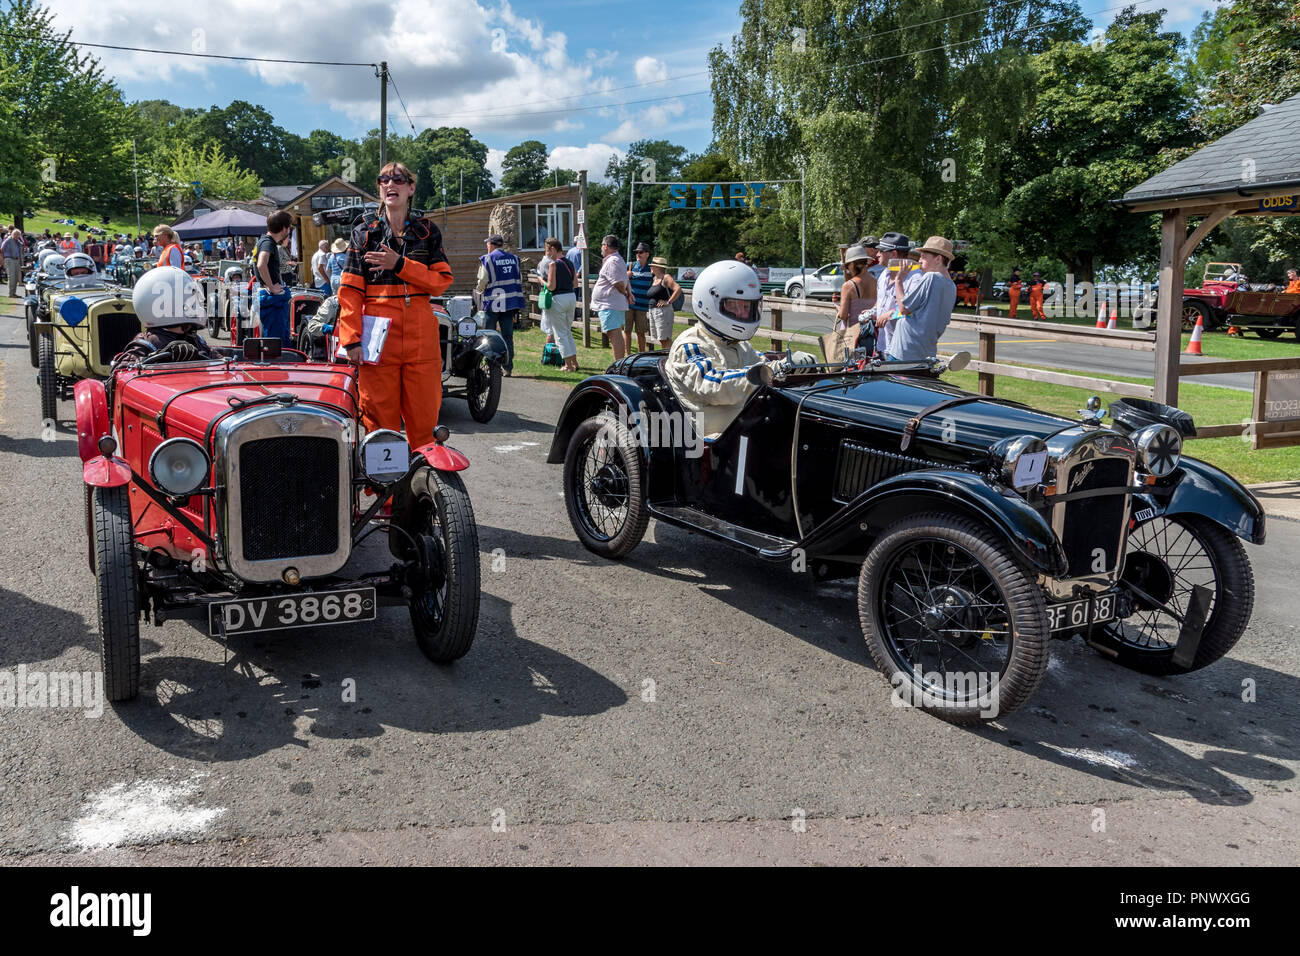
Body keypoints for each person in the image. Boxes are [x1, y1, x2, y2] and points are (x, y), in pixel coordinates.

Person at [337, 160, 454, 449]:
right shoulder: (364, 232)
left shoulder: (427, 231)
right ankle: (385, 494)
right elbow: (350, 290)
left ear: (411, 188)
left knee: (425, 425)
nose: (391, 184)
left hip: (421, 341)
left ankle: (422, 490)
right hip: (378, 341)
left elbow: (441, 282)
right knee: (380, 426)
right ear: (379, 187)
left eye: (399, 179)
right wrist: (350, 340)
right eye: (384, 179)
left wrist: (399, 264)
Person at [666, 259, 814, 439]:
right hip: (712, 439)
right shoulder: (690, 345)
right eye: (734, 306)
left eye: (747, 306)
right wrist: (771, 371)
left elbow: (762, 363)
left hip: (744, 427)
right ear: (708, 302)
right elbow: (714, 385)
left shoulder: (739, 344)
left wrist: (796, 367)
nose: (743, 313)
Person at [120, 266, 219, 362]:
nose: (194, 305)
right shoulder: (146, 344)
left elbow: (223, 363)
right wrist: (158, 357)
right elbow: (121, 371)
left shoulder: (195, 339)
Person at [886, 236, 958, 361]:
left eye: (924, 256)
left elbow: (903, 308)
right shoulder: (951, 285)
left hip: (906, 351)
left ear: (938, 259)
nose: (919, 260)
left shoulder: (931, 277)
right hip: (926, 351)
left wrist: (899, 280)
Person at [861, 232, 922, 357]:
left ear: (893, 254)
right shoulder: (884, 274)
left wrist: (890, 314)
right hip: (884, 344)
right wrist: (873, 311)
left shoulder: (915, 278)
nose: (877, 254)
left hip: (904, 349)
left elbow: (913, 308)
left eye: (881, 251)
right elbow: (881, 301)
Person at [475, 233, 525, 376]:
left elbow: (483, 280)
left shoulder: (488, 259)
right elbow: (518, 277)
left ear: (491, 244)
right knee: (508, 335)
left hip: (493, 303)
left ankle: (490, 364)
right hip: (509, 303)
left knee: (489, 334)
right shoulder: (514, 259)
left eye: (488, 243)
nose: (486, 246)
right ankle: (507, 367)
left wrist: (479, 291)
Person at [255, 210, 295, 346]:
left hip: (270, 297)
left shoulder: (265, 241)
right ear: (284, 228)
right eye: (289, 227)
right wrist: (271, 286)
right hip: (272, 300)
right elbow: (261, 264)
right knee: (276, 344)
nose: (289, 230)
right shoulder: (268, 242)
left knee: (276, 342)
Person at [541, 236, 579, 372]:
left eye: (548, 251)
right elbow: (575, 283)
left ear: (553, 249)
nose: (548, 255)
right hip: (571, 297)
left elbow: (551, 287)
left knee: (560, 334)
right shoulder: (570, 263)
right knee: (568, 332)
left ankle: (568, 365)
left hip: (559, 299)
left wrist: (541, 280)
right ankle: (575, 362)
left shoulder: (553, 264)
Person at [590, 235, 631, 360]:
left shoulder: (613, 261)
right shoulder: (615, 260)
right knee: (613, 333)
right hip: (610, 304)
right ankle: (618, 365)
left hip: (611, 304)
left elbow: (618, 283)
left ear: (606, 246)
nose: (601, 248)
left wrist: (625, 292)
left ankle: (618, 366)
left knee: (614, 334)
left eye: (602, 245)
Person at [836, 244, 877, 330]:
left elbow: (843, 315)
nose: (848, 270)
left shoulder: (848, 286)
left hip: (852, 334)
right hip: (871, 332)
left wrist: (837, 307)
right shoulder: (877, 282)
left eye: (847, 267)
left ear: (852, 264)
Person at [646, 255, 680, 350]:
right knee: (661, 339)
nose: (651, 267)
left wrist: (668, 302)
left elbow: (678, 289)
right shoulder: (654, 279)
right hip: (654, 311)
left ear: (658, 267)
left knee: (665, 339)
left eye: (652, 266)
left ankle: (667, 358)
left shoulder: (666, 277)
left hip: (663, 312)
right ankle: (665, 357)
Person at [626, 241, 654, 353]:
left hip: (643, 307)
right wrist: (625, 276)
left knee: (641, 332)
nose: (638, 254)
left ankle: (640, 354)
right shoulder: (629, 266)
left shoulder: (652, 269)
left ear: (647, 254)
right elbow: (617, 279)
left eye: (641, 252)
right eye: (637, 252)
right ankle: (627, 355)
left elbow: (659, 283)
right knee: (627, 331)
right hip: (629, 304)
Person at [2, 228, 22, 298]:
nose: (17, 236)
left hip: (16, 260)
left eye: (18, 235)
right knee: (12, 276)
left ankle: (14, 293)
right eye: (15, 234)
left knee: (16, 277)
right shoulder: (8, 240)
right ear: (12, 234)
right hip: (9, 259)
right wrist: (2, 260)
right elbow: (2, 249)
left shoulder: (18, 241)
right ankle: (11, 293)